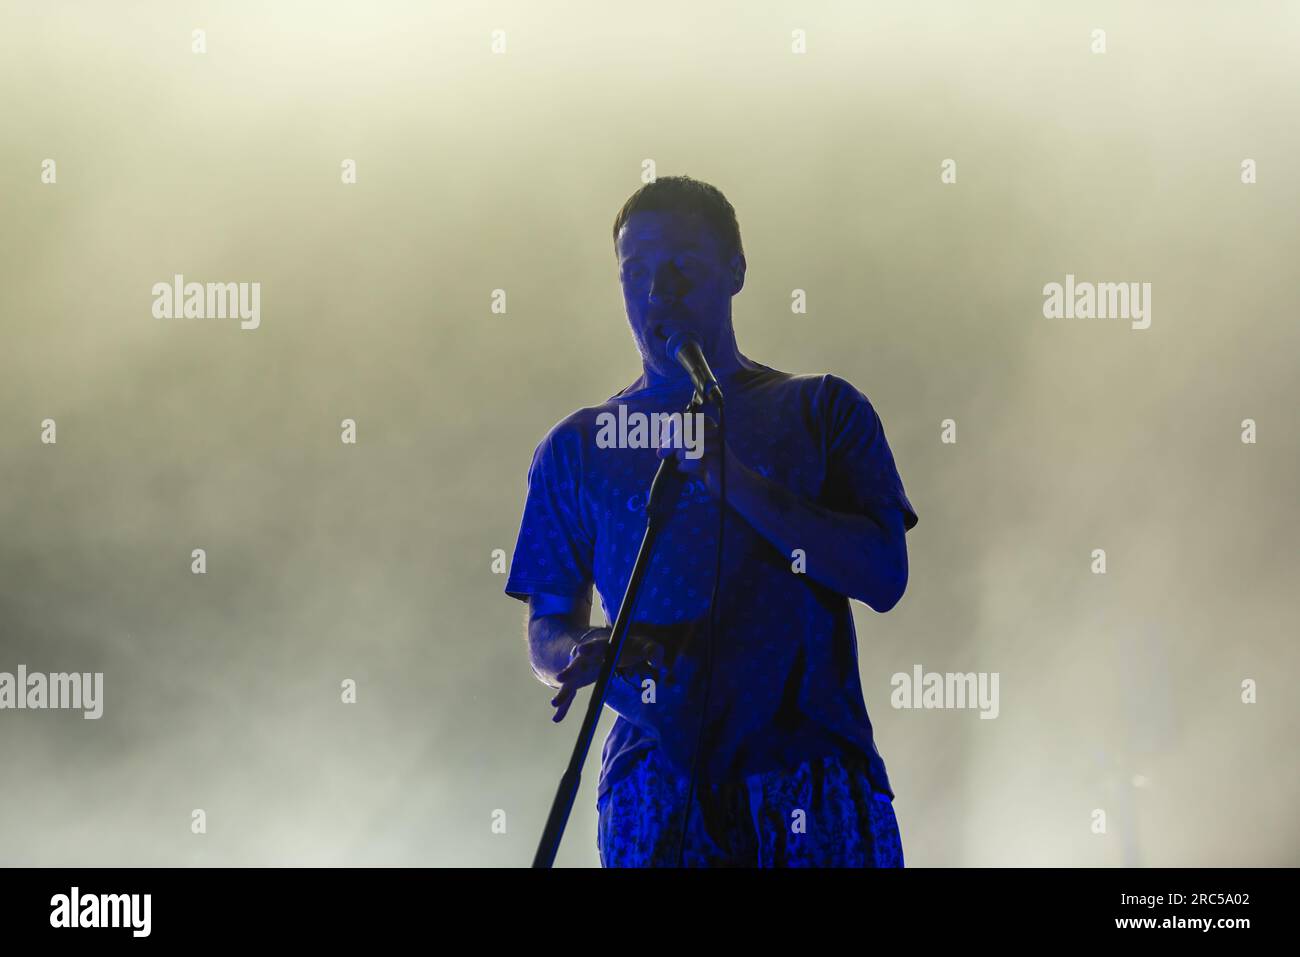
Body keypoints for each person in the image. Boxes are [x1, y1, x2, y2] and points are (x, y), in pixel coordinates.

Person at [504, 175, 918, 867]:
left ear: (735, 270)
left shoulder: (822, 409)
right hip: (656, 783)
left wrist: (735, 481)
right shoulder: (577, 446)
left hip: (812, 775)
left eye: (681, 264)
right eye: (635, 271)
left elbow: (883, 575)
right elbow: (548, 626)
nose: (658, 289)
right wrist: (575, 655)